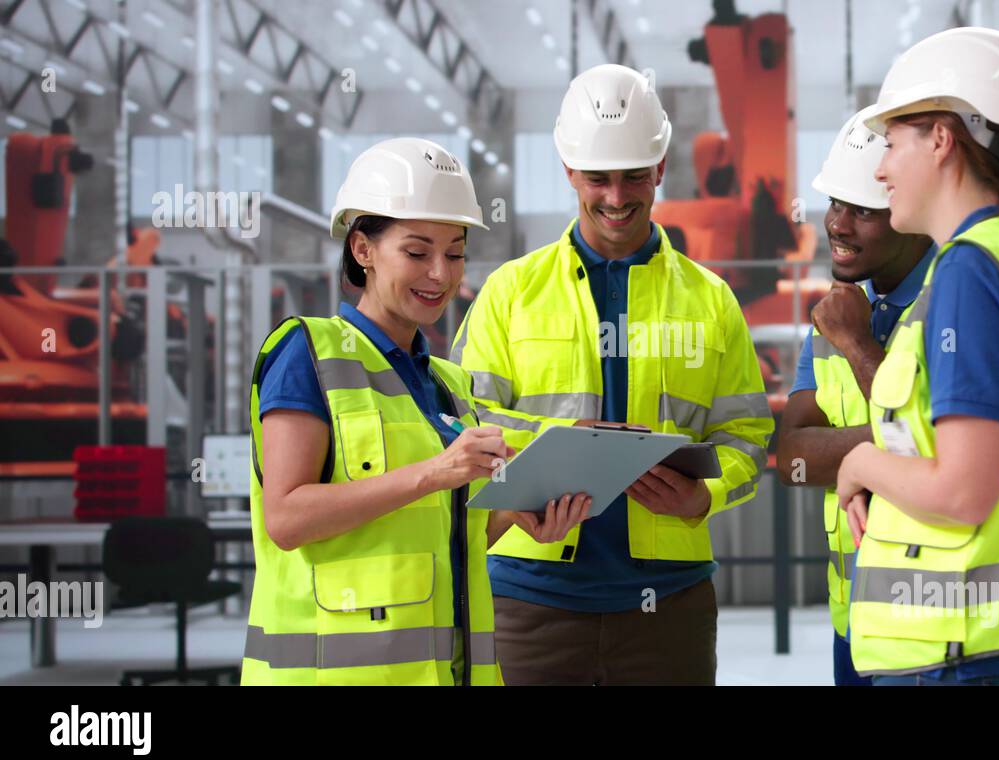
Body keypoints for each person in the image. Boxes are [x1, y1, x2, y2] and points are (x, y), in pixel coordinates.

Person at [451, 64, 773, 685]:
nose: (617, 198)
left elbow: (749, 439)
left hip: (669, 603)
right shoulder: (509, 292)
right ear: (569, 170)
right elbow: (464, 421)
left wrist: (703, 495)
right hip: (531, 595)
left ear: (660, 169)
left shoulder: (711, 300)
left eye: (634, 177)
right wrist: (566, 435)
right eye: (598, 178)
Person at [242, 138, 589, 685]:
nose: (439, 274)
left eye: (455, 253)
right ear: (363, 250)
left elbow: (441, 534)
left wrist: (517, 516)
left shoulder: (448, 385)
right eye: (416, 251)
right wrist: (434, 472)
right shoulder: (308, 353)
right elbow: (286, 518)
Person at [835, 27, 999, 686]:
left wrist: (861, 459)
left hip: (956, 654)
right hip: (973, 649)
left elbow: (964, 489)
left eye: (891, 144)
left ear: (942, 139)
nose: (882, 168)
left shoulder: (969, 272)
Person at [774, 107, 933, 686]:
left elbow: (943, 447)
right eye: (834, 204)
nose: (838, 225)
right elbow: (790, 457)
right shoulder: (832, 317)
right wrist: (893, 448)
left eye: (863, 210)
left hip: (939, 624)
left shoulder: (950, 300)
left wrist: (859, 344)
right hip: (856, 621)